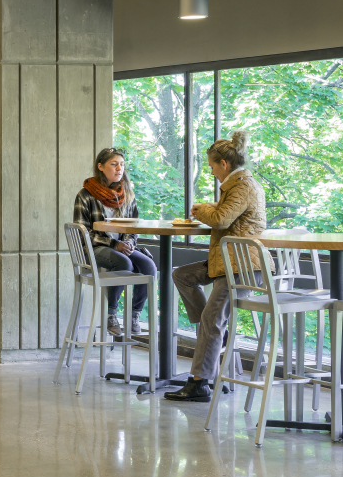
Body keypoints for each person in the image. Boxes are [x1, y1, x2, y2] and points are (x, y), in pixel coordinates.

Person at [166, 130, 266, 404]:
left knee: (213, 318)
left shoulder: (242, 185)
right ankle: (211, 336)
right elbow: (226, 216)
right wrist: (209, 207)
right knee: (182, 275)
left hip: (242, 268)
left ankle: (199, 383)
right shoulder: (235, 186)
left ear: (224, 164)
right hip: (228, 262)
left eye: (211, 166)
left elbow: (221, 220)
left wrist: (201, 210)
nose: (211, 172)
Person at [72, 146, 155, 338]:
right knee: (123, 262)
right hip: (94, 248)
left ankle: (134, 316)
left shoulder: (127, 195)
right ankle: (111, 315)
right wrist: (114, 245)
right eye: (114, 164)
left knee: (149, 266)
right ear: (100, 166)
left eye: (122, 165)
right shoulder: (85, 195)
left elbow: (133, 227)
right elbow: (83, 232)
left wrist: (129, 243)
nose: (119, 169)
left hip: (121, 248)